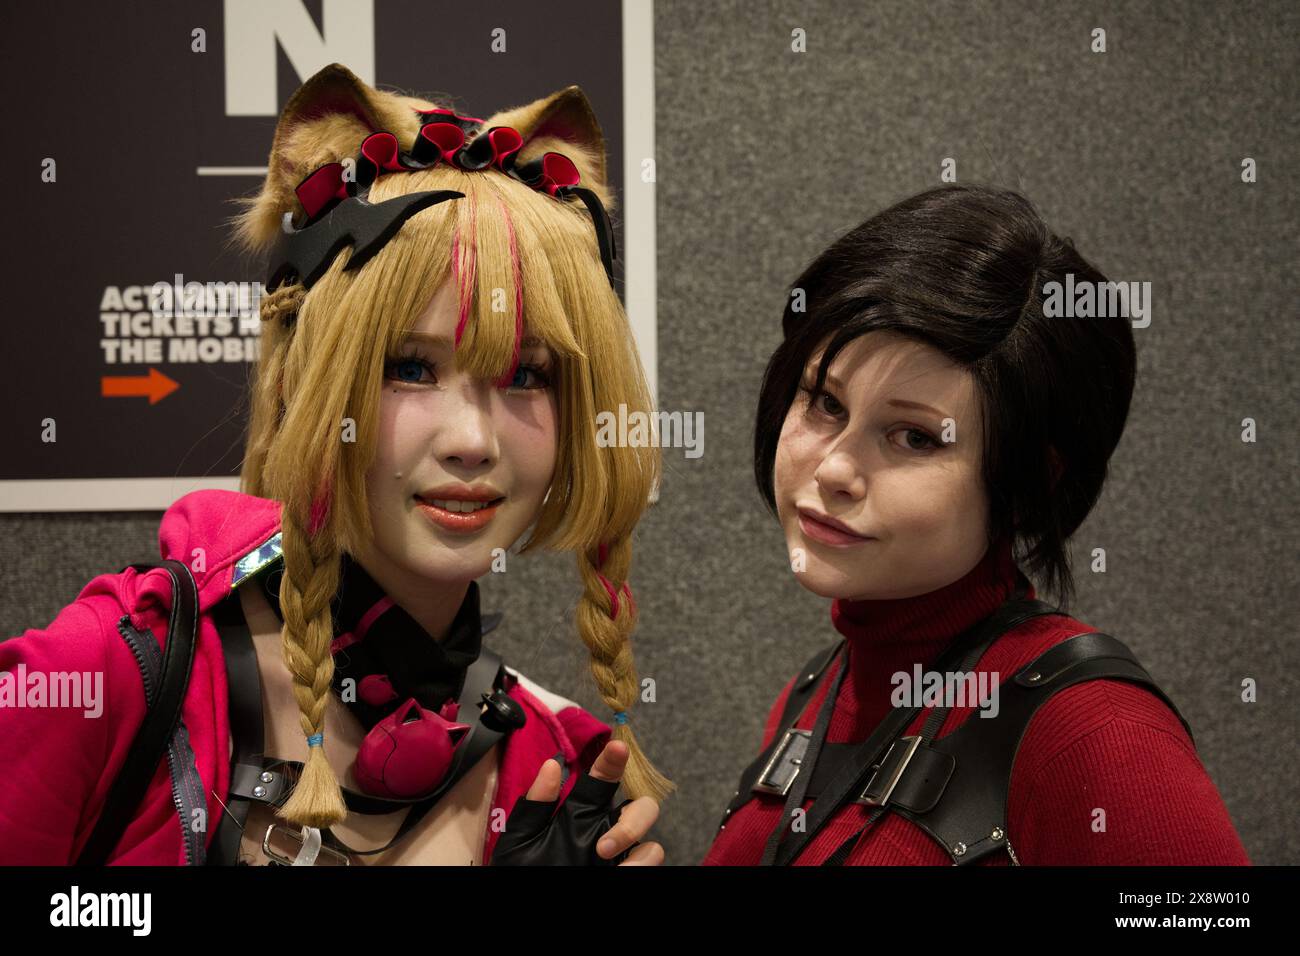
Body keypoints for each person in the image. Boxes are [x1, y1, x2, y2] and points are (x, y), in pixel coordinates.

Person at [0, 63, 669, 866]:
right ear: (303, 377)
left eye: (527, 375)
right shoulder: (99, 679)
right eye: (409, 368)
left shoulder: (561, 772)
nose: (473, 441)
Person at [704, 183, 1249, 866]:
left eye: (914, 437)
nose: (836, 469)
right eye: (824, 403)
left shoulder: (1094, 731)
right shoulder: (817, 693)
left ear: (1027, 485)